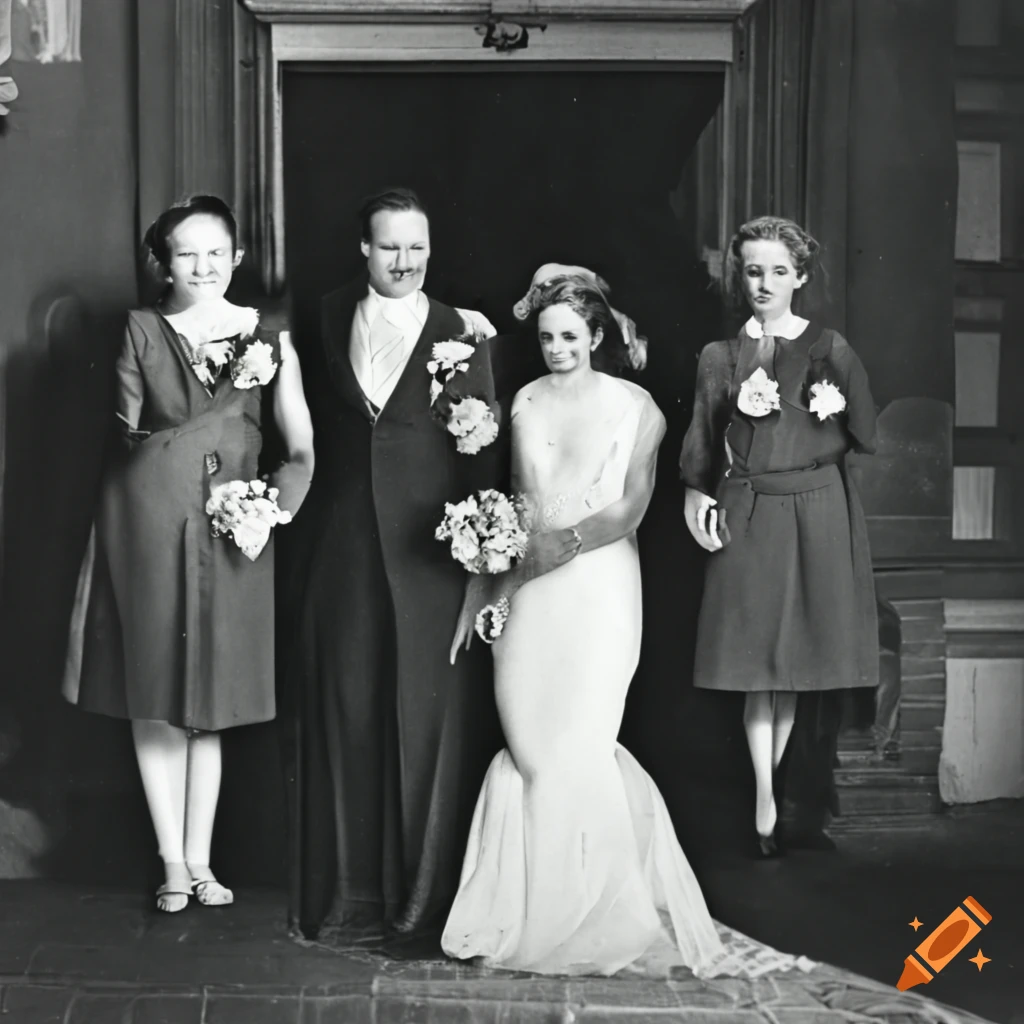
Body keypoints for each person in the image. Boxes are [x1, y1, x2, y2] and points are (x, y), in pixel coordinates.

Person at [440, 269, 727, 976]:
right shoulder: (524, 401)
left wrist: (556, 546)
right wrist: (500, 573)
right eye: (546, 338)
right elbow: (518, 497)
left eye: (570, 336)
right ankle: (524, 913)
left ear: (596, 335)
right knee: (531, 744)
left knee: (581, 741)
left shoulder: (637, 407)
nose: (557, 349)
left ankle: (592, 915)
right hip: (530, 591)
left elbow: (630, 508)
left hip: (599, 588)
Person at [63, 195, 315, 911]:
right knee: (154, 694)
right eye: (186, 254)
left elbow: (300, 450)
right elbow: (126, 434)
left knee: (212, 700)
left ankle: (202, 862)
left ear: (237, 257)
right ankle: (172, 862)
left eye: (216, 252)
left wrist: (269, 507)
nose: (203, 267)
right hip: (148, 524)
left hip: (235, 531)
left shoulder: (269, 336)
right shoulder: (141, 329)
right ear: (163, 263)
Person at [287, 187, 504, 940]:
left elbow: (482, 454)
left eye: (417, 247)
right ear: (364, 249)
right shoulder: (320, 317)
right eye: (390, 247)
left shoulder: (462, 331)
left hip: (432, 554)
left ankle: (421, 900)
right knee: (347, 708)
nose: (404, 261)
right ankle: (349, 898)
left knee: (426, 720)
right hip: (342, 549)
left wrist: (482, 570)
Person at [679, 216, 879, 858]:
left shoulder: (828, 347)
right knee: (755, 659)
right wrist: (696, 493)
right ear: (741, 277)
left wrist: (834, 388)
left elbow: (867, 431)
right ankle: (764, 793)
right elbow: (703, 438)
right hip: (750, 508)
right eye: (753, 271)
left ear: (800, 277)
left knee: (790, 662)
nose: (764, 283)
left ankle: (770, 792)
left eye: (778, 271)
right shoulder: (720, 356)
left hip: (817, 510)